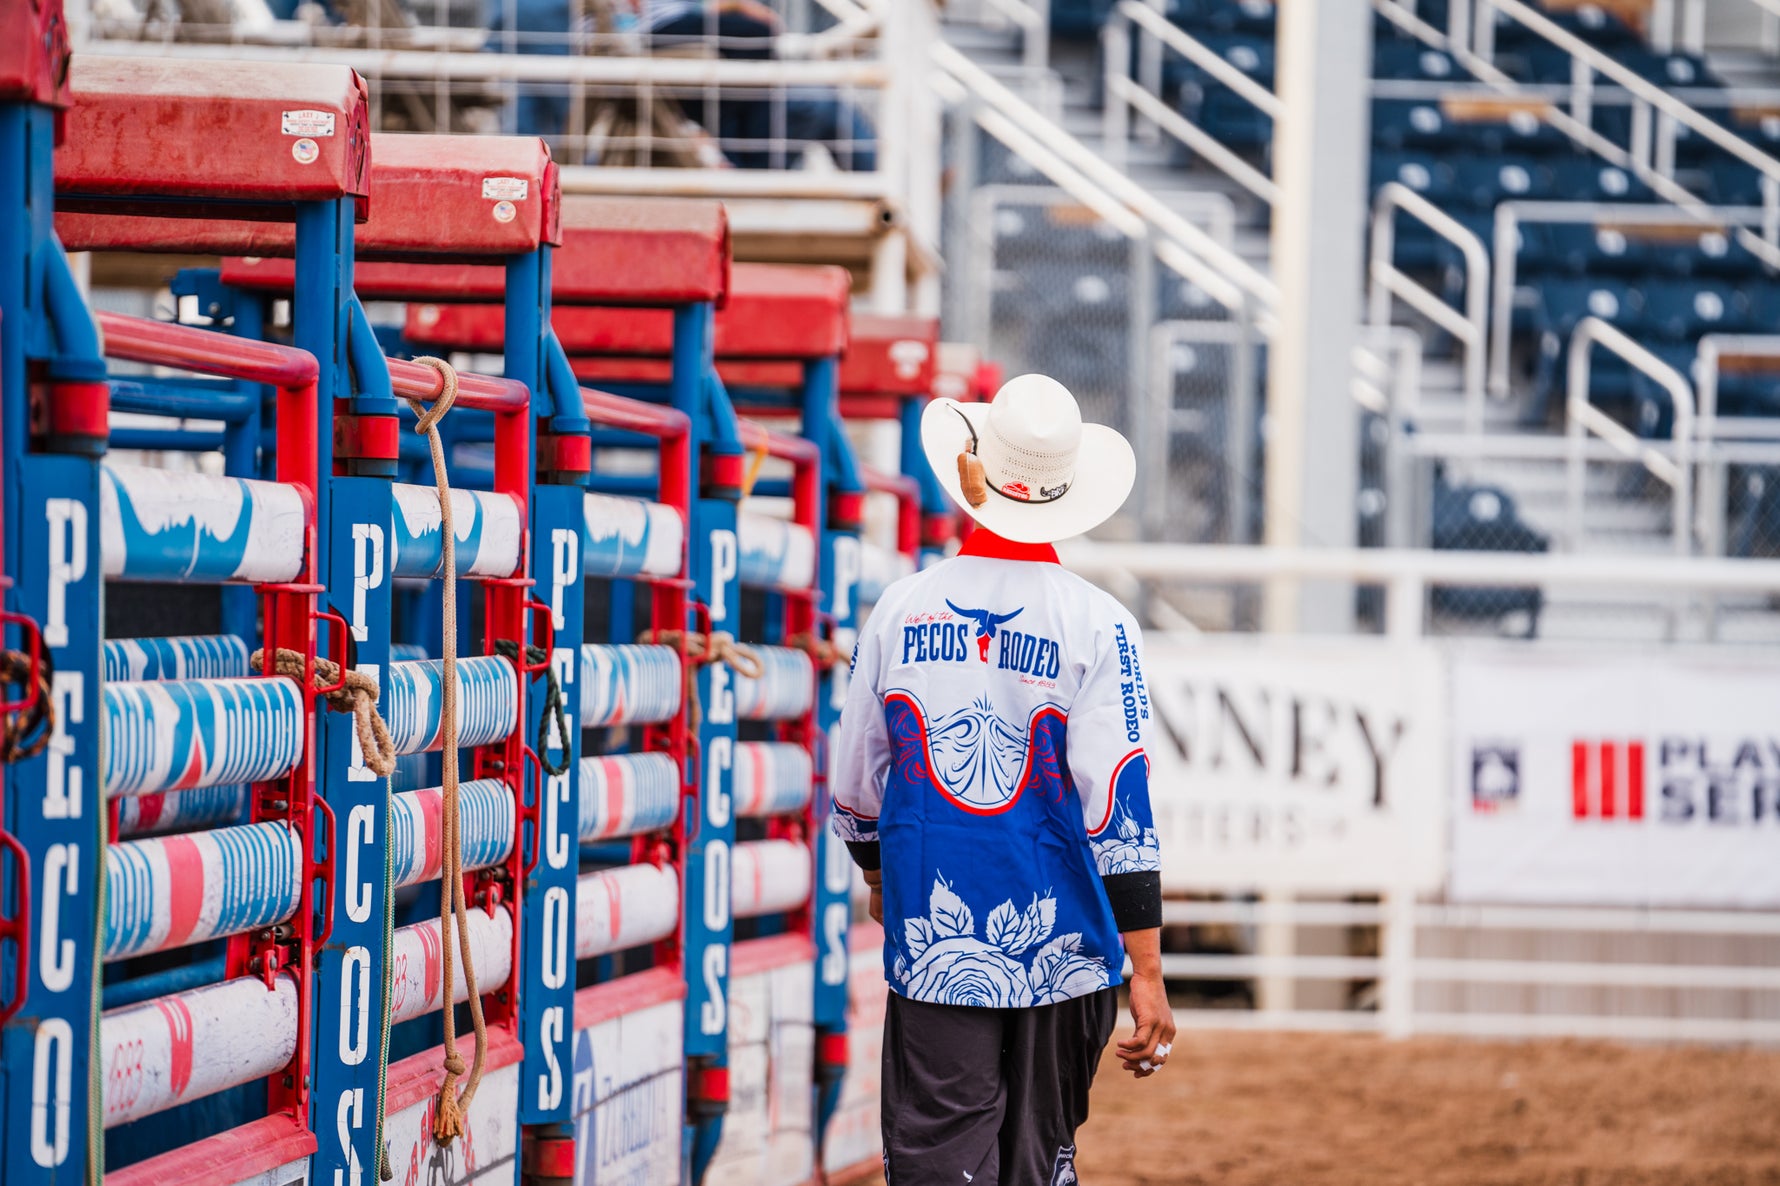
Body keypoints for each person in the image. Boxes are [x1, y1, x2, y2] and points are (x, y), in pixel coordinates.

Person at [831, 374, 1175, 1185]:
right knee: (1040, 1160)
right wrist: (1148, 970)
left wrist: (880, 876)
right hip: (1069, 951)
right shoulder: (1101, 623)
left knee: (940, 1159)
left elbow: (855, 784)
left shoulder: (901, 608)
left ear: (974, 476)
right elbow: (1119, 804)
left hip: (937, 940)